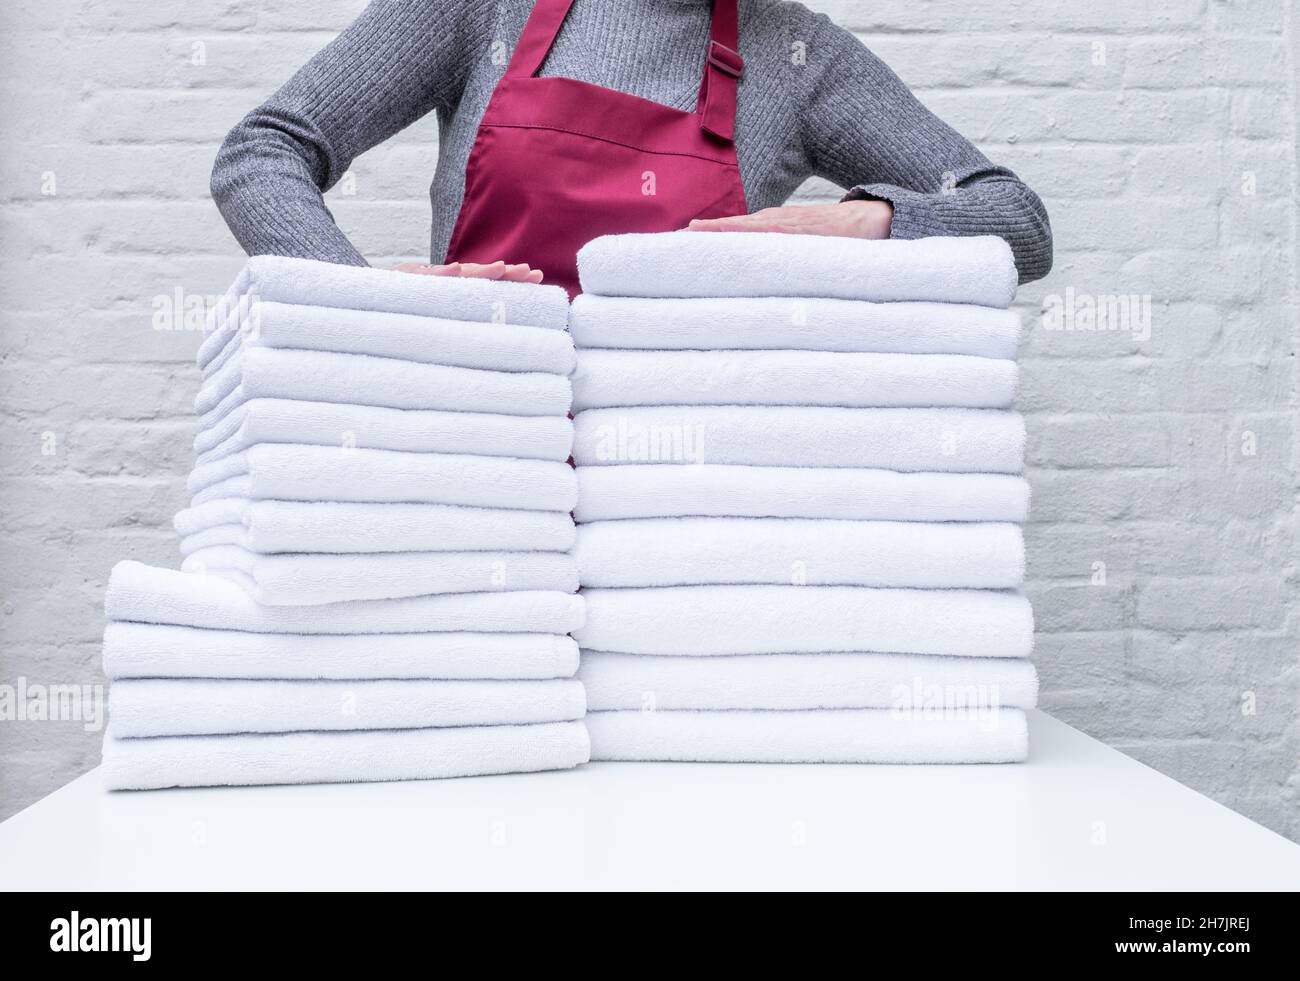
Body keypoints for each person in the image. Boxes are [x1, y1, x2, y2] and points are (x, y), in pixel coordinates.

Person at [212, 0, 1051, 295]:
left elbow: (1021, 225)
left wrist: (869, 219)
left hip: (679, 502)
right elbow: (266, 150)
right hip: (473, 446)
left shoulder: (798, 55)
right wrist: (363, 310)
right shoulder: (486, 8)